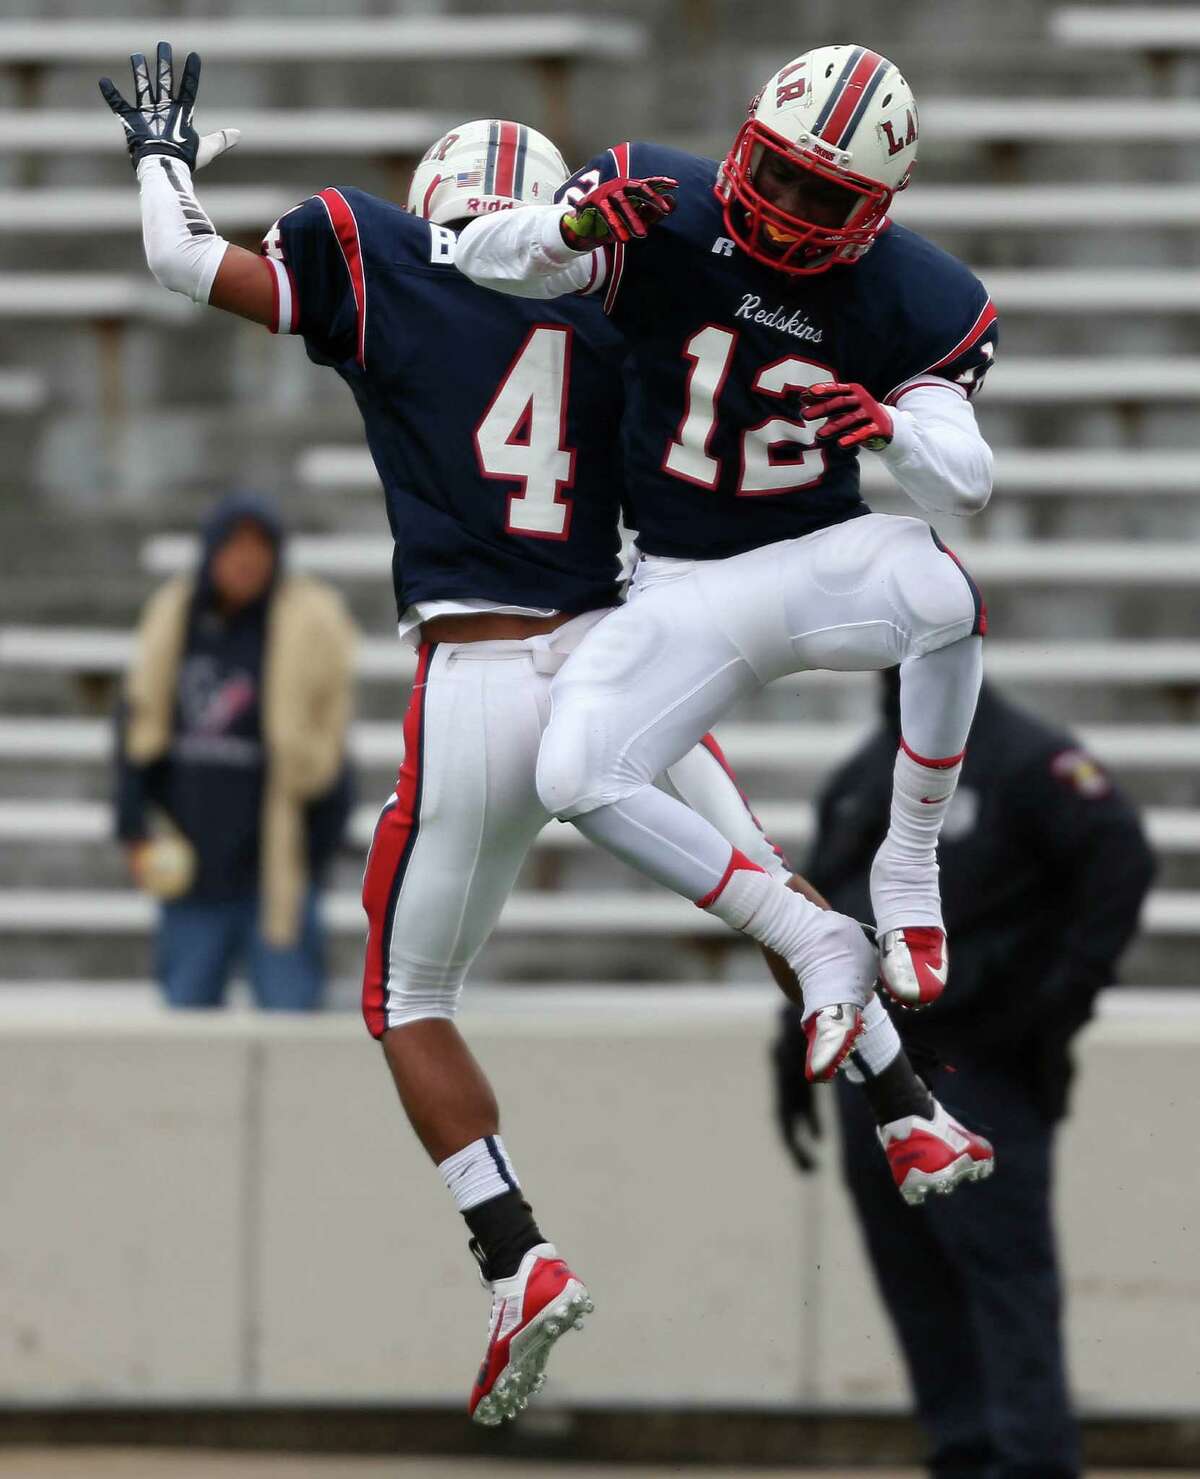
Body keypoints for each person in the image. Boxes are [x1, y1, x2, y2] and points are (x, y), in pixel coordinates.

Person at [98, 49, 992, 1426]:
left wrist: (162, 155)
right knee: (762, 880)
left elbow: (180, 261)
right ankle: (907, 1099)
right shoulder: (634, 286)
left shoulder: (387, 253)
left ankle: (513, 1248)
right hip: (618, 652)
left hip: (476, 675)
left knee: (408, 995)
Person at [455, 43, 998, 1076]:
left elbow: (963, 483)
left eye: (824, 196)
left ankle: (911, 864)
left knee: (944, 595)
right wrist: (567, 229)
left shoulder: (917, 296)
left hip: (819, 558)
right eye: (778, 170)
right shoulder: (662, 200)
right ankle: (810, 936)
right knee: (573, 771)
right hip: (681, 581)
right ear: (745, 138)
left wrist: (889, 430)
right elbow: (492, 259)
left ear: (877, 211)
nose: (788, 207)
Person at [773, 671, 1156, 1478]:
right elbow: (816, 920)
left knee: (1002, 1274)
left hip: (980, 1065)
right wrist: (790, 1040)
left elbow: (1119, 860)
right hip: (874, 1069)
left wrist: (1049, 1007)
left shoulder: (1023, 758)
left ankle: (1031, 1461)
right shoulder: (863, 774)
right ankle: (964, 1453)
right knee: (912, 1275)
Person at [116, 490, 355, 1010]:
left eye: (259, 546)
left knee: (292, 1029)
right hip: (191, 879)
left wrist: (314, 857)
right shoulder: (173, 619)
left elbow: (332, 745)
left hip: (278, 876)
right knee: (187, 1035)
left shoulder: (309, 623)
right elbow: (137, 726)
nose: (246, 559)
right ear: (211, 552)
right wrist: (133, 829)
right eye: (233, 545)